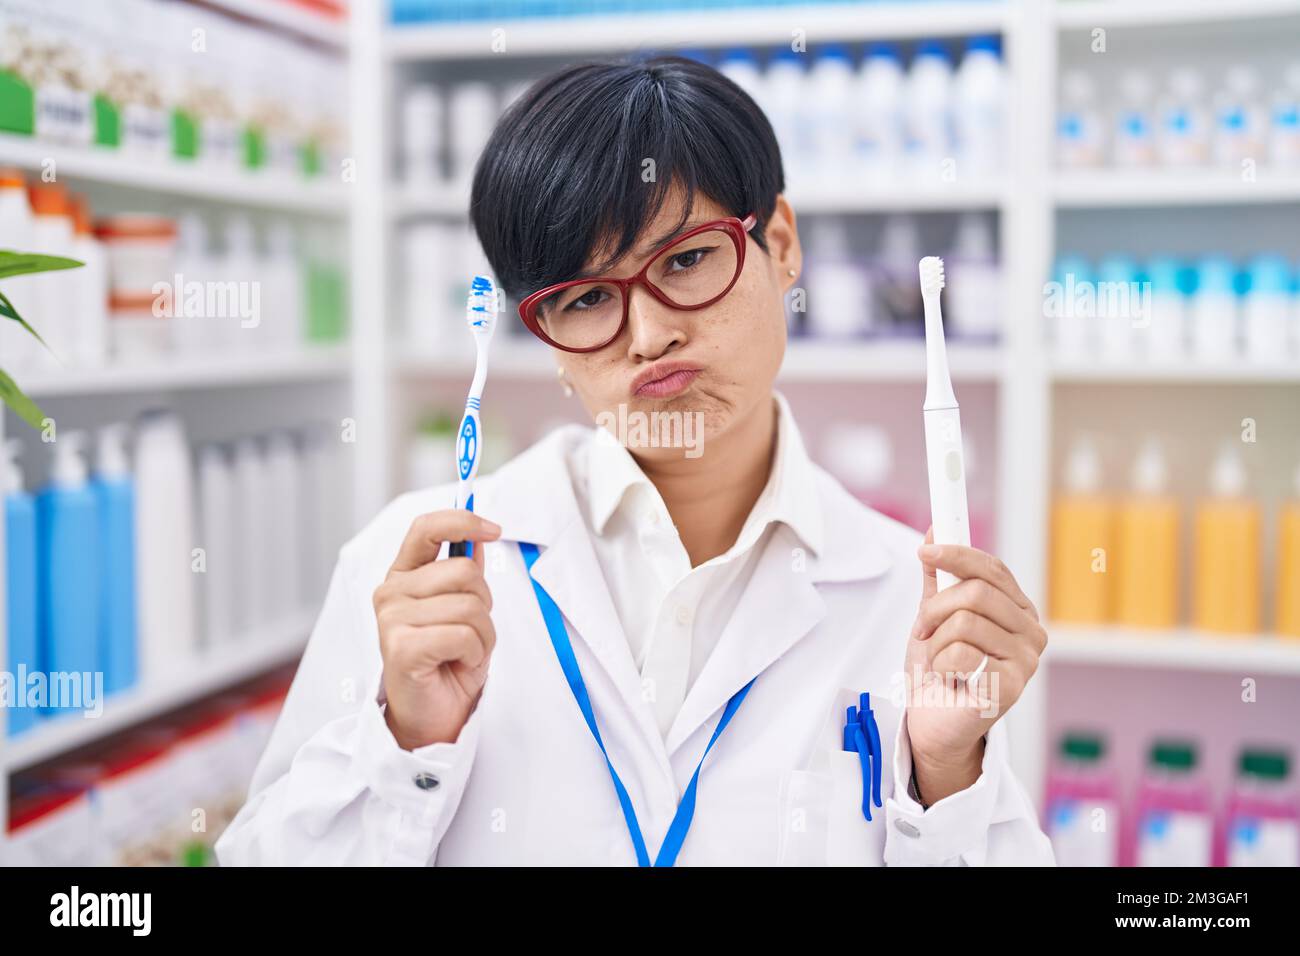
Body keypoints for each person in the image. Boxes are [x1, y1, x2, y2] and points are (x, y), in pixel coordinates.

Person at [216, 55, 1054, 866]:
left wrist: (948, 777)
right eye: (584, 300)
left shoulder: (912, 599)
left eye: (686, 259)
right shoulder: (416, 572)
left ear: (782, 245)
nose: (650, 336)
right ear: (544, 339)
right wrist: (406, 743)